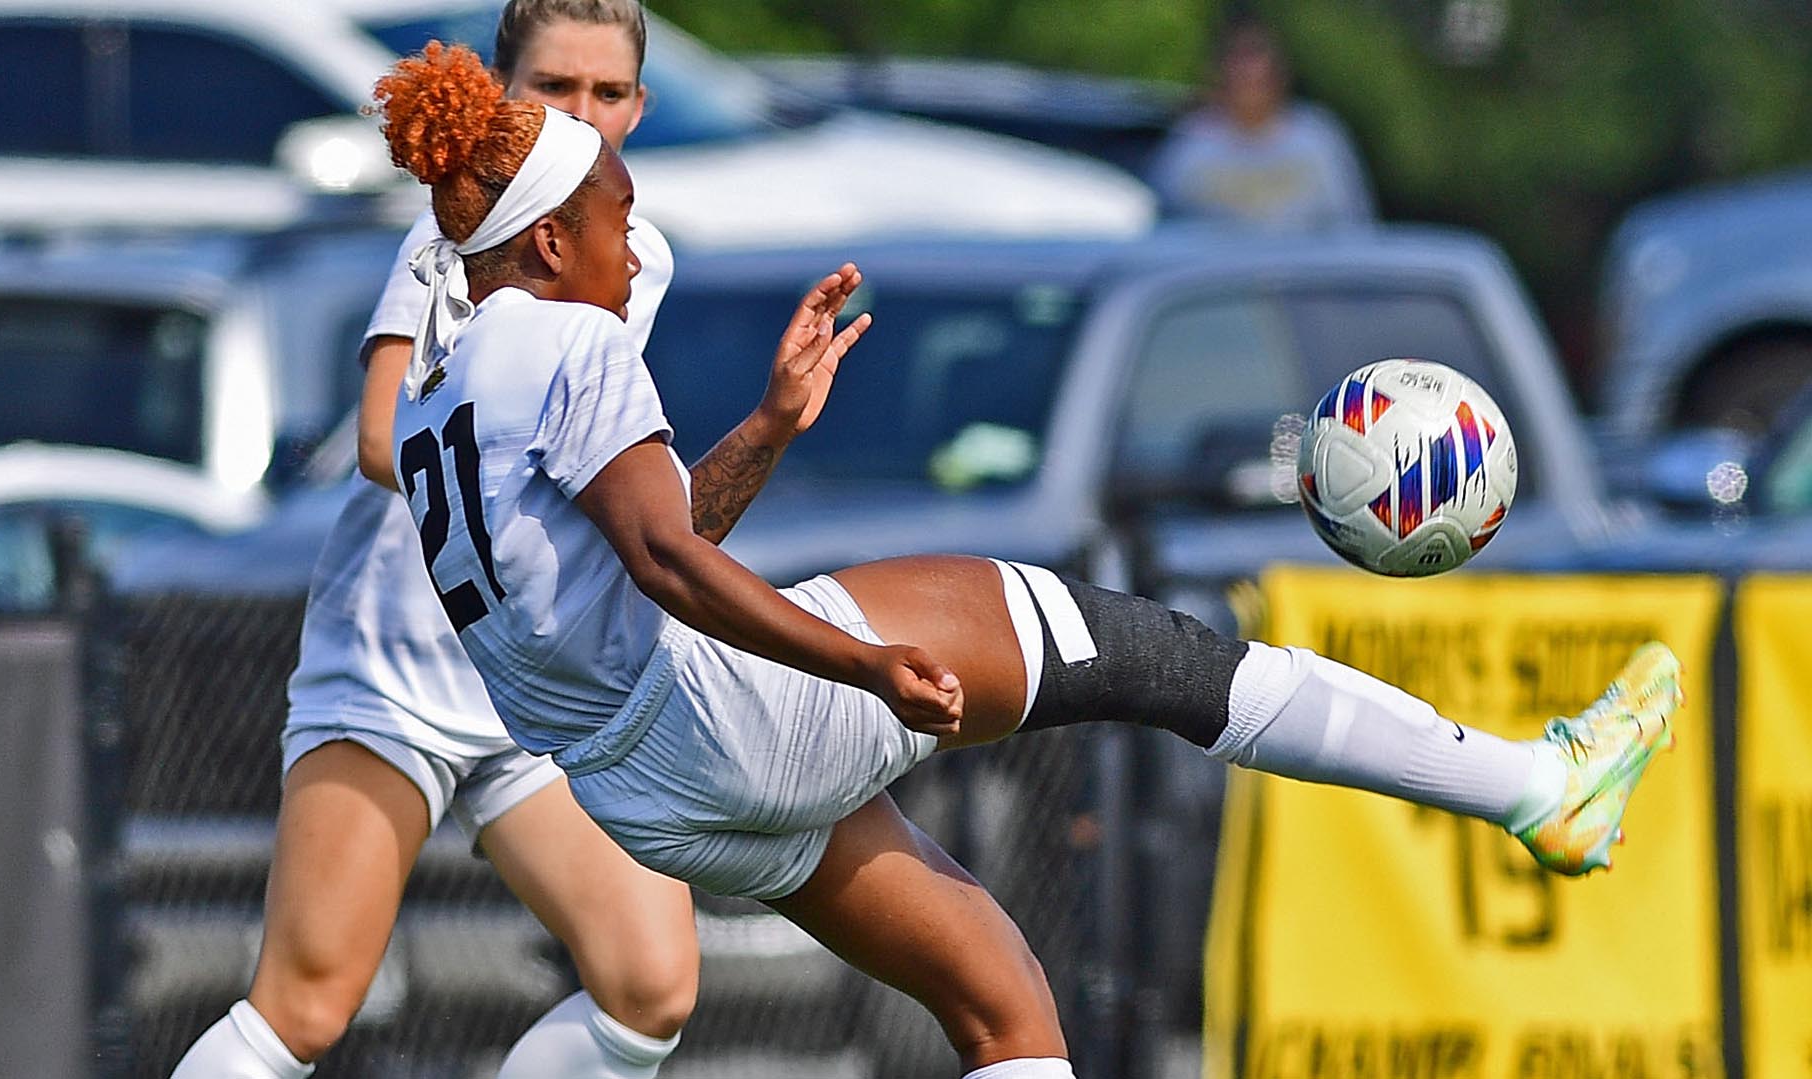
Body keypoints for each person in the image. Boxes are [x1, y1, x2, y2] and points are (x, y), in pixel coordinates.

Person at [376, 42, 1680, 1079]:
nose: (629, 240)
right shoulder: (567, 337)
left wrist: (768, 426)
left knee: (1006, 1007)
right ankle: (1534, 783)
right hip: (716, 715)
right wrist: (866, 660)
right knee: (1154, 654)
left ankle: (1539, 788)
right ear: (547, 241)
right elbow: (665, 558)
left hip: (636, 792)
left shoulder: (446, 391)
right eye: (617, 214)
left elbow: (637, 550)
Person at [168, 4, 857, 1077]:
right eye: (553, 86)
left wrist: (762, 430)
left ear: (642, 105)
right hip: (395, 665)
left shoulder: (631, 254)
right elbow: (380, 433)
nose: (582, 112)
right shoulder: (470, 229)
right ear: (498, 91)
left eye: (608, 91)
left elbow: (649, 522)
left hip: (531, 688)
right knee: (303, 1007)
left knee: (649, 984)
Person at [1146, 16, 1374, 230]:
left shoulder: (1317, 138)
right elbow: (1162, 226)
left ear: (1280, 70)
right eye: (1238, 58)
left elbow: (1352, 224)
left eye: (1256, 54)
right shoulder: (1189, 143)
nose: (1248, 69)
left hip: (1303, 270)